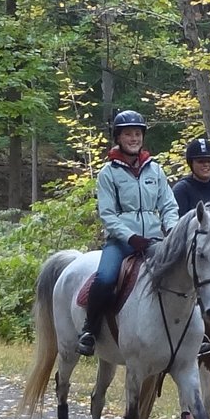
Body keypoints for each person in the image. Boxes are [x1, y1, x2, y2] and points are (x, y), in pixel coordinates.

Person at [80, 110, 175, 355]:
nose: (133, 138)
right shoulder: (108, 173)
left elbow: (168, 205)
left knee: (183, 273)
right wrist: (130, 237)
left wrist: (171, 229)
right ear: (118, 138)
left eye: (137, 134)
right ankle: (90, 329)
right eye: (128, 134)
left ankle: (193, 333)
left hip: (154, 240)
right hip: (121, 242)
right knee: (105, 278)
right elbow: (108, 215)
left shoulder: (155, 170)